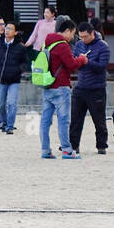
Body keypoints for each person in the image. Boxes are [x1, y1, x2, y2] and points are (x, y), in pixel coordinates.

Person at [37, 16, 87, 159]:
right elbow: (71, 65)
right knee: (64, 120)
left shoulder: (46, 43)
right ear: (67, 30)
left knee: (45, 120)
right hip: (61, 86)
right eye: (72, 33)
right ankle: (66, 150)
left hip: (47, 85)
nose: (72, 37)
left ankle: (45, 150)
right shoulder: (62, 45)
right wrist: (82, 59)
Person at [69, 20, 111, 156]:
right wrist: (79, 61)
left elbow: (102, 66)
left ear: (93, 33)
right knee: (75, 119)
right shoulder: (79, 45)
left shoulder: (103, 46)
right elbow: (74, 61)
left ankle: (101, 145)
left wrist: (88, 62)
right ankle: (73, 145)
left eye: (85, 36)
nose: (83, 39)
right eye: (81, 37)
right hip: (80, 86)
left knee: (99, 119)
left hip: (96, 87)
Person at [0, 20, 25, 134]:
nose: (7, 30)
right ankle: (4, 123)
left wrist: (18, 71)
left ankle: (10, 126)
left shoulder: (20, 47)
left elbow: (24, 63)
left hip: (14, 79)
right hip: (0, 79)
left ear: (15, 32)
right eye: (6, 28)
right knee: (0, 104)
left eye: (10, 29)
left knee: (12, 103)